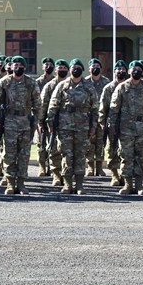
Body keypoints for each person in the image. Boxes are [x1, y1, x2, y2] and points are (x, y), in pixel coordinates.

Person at [0, 55, 41, 195]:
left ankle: (22, 183)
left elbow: (37, 104)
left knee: (24, 154)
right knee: (9, 154)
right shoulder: (4, 82)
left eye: (20, 65)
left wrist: (35, 121)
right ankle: (11, 183)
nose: (17, 67)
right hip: (9, 122)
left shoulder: (31, 83)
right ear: (11, 67)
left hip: (25, 122)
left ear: (24, 67)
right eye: (14, 65)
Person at [46, 58, 99, 194]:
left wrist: (93, 126)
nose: (76, 69)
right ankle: (68, 184)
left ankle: (80, 185)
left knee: (80, 155)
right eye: (73, 67)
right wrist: (50, 122)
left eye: (78, 67)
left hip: (83, 127)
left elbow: (94, 108)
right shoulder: (62, 86)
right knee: (67, 155)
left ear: (82, 69)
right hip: (65, 126)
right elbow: (53, 105)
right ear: (70, 70)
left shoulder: (88, 87)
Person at [107, 60, 143, 196]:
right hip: (126, 128)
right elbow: (114, 108)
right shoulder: (122, 87)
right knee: (126, 156)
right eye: (133, 68)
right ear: (129, 71)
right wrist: (112, 125)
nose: (136, 71)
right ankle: (127, 185)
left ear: (142, 72)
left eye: (138, 69)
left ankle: (140, 185)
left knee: (142, 157)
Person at [38, 59, 69, 186]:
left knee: (67, 151)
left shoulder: (72, 84)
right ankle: (56, 174)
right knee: (54, 149)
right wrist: (41, 122)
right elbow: (43, 105)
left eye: (64, 67)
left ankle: (66, 175)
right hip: (53, 122)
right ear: (55, 70)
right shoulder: (49, 86)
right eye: (59, 67)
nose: (61, 70)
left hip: (70, 123)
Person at [99, 60, 128, 186]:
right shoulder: (109, 88)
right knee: (112, 150)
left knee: (126, 151)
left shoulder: (129, 87)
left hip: (128, 125)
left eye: (123, 69)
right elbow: (103, 107)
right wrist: (102, 122)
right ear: (114, 71)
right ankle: (114, 175)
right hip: (113, 124)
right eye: (118, 69)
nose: (120, 71)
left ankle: (124, 175)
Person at [84, 58, 110, 177]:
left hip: (102, 117)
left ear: (101, 68)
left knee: (100, 142)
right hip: (89, 116)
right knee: (89, 142)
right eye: (93, 66)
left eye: (97, 66)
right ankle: (90, 167)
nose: (95, 68)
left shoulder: (106, 82)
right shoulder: (85, 82)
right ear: (89, 69)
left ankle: (99, 167)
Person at [34, 57, 55, 176]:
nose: (48, 66)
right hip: (41, 116)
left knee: (53, 143)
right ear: (42, 67)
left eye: (50, 64)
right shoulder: (37, 82)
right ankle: (42, 166)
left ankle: (52, 167)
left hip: (54, 117)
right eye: (46, 64)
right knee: (41, 143)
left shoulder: (57, 82)